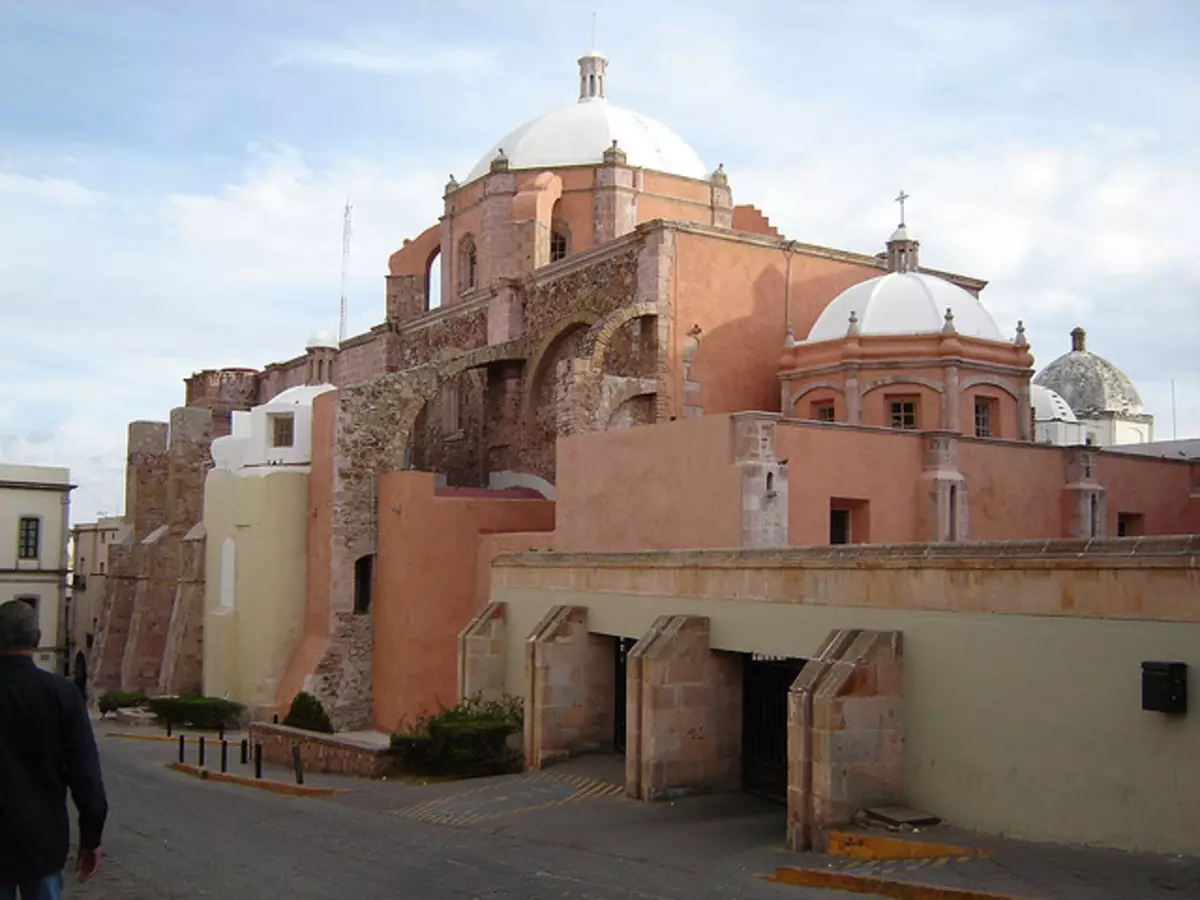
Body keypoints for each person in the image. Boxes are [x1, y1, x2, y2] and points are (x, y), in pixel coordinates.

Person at [0, 600, 107, 899]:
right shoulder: (62, 695)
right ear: (36, 639)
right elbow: (86, 777)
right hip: (43, 840)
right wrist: (91, 838)